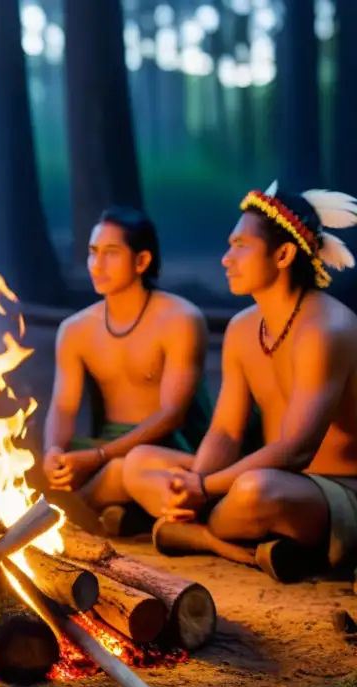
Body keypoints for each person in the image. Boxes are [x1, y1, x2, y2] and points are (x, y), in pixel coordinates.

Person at [122, 181, 357, 584]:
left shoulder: (326, 328)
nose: (226, 259)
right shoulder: (242, 329)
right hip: (254, 478)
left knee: (254, 492)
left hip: (334, 493)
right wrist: (195, 482)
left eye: (240, 246)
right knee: (138, 462)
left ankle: (199, 535)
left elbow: (297, 450)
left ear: (282, 254)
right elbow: (227, 432)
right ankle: (233, 540)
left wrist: (203, 488)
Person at [41, 207, 211, 532]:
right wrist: (54, 452)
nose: (97, 264)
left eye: (111, 253)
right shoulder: (75, 329)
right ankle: (128, 515)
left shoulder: (180, 319)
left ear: (142, 261)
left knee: (127, 468)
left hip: (167, 446)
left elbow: (173, 414)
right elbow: (64, 406)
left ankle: (89, 514)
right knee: (33, 470)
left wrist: (100, 457)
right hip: (103, 448)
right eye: (93, 253)